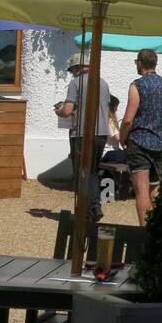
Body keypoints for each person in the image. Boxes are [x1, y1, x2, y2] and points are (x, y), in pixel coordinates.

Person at [118, 49, 162, 227]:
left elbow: (128, 119)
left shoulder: (137, 85)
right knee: (155, 191)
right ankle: (160, 229)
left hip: (138, 142)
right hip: (159, 144)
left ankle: (145, 235)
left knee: (142, 193)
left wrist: (122, 138)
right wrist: (160, 128)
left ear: (140, 63)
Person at [55, 52, 109, 222]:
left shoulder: (76, 82)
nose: (72, 73)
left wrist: (59, 111)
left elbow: (68, 110)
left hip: (81, 133)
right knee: (92, 171)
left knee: (81, 172)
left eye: (72, 70)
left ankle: (87, 209)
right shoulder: (103, 82)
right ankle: (95, 208)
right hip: (101, 132)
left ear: (77, 68)